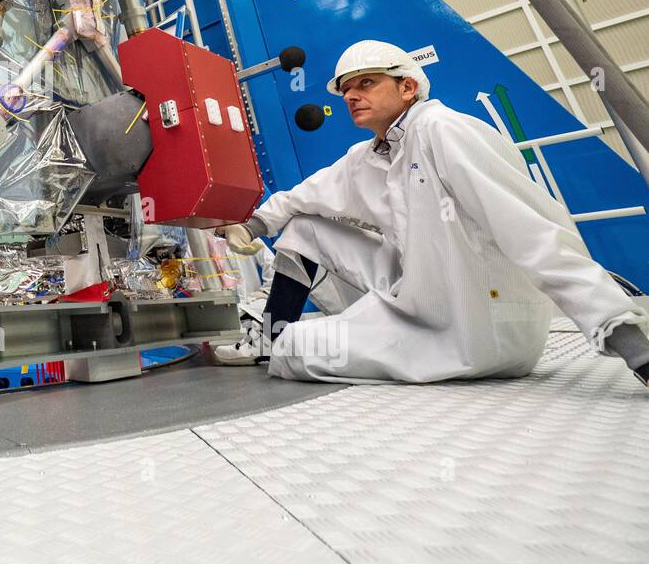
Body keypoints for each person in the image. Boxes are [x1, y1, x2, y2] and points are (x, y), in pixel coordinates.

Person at [215, 40, 649, 385]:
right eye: (346, 87)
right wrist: (252, 224)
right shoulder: (367, 157)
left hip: (476, 326)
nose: (349, 94)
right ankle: (272, 336)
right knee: (304, 228)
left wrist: (626, 338)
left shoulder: (443, 131)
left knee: (293, 352)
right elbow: (299, 199)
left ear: (408, 87)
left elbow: (532, 230)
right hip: (422, 293)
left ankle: (289, 341)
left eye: (365, 83)